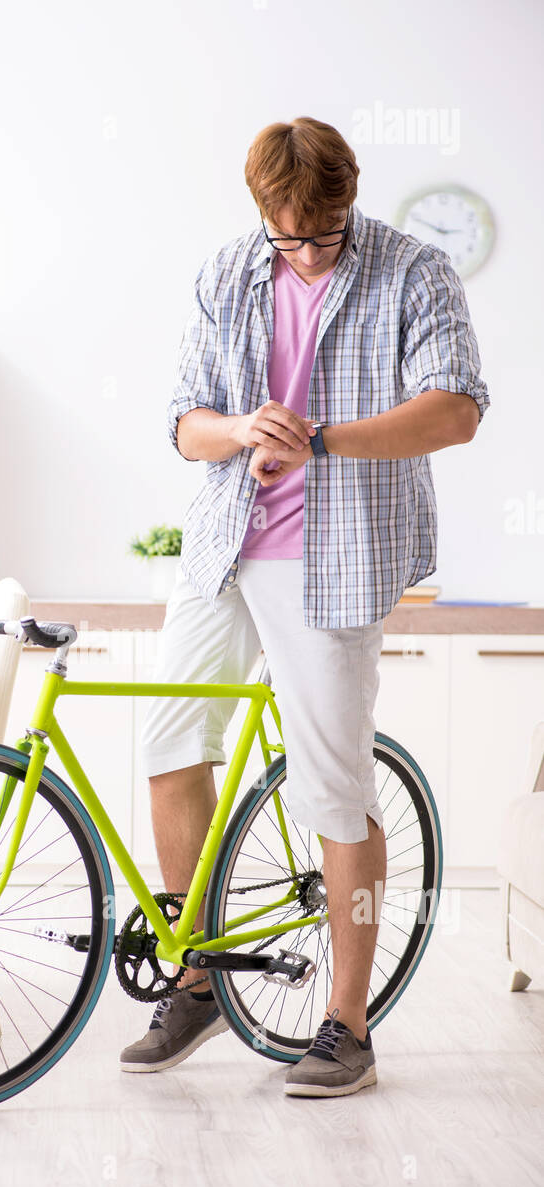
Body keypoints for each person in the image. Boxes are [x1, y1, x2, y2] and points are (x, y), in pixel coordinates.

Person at [120, 115, 490, 1096]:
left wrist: (320, 438)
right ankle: (199, 978)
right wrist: (239, 428)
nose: (309, 250)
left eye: (324, 230)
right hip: (224, 546)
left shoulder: (414, 272)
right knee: (166, 749)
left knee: (331, 787)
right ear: (262, 213)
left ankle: (348, 1024)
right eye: (291, 234)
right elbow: (182, 423)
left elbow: (455, 409)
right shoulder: (231, 270)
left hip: (336, 558)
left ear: (348, 199)